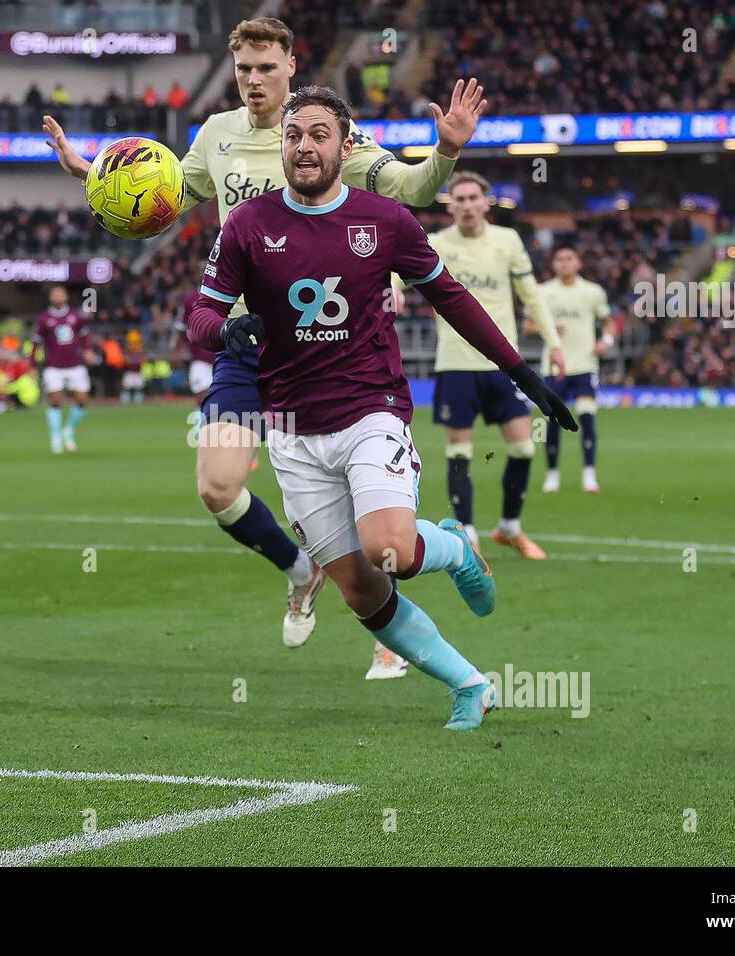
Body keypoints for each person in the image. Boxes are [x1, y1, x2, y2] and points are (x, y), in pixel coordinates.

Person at [44, 16, 488, 655]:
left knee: (367, 524)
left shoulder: (327, 135)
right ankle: (299, 568)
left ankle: (391, 613)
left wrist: (444, 152)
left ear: (290, 66)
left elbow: (409, 188)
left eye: (266, 67)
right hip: (244, 339)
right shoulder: (216, 135)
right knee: (216, 486)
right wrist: (87, 170)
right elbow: (161, 193)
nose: (254, 79)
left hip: (325, 346)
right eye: (243, 69)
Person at [184, 87, 577, 728]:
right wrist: (219, 331)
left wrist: (522, 373)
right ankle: (470, 684)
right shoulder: (247, 225)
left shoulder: (384, 221)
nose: (303, 147)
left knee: (389, 549)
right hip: (291, 428)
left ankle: (451, 548)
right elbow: (200, 311)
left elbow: (450, 297)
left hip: (371, 410)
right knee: (362, 591)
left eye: (318, 135)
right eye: (293, 135)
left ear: (345, 144)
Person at [428, 170, 565, 561]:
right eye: (460, 199)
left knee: (523, 448)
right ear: (450, 205)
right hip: (454, 363)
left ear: (486, 203)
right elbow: (394, 275)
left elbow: (531, 296)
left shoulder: (507, 242)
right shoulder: (435, 244)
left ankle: (509, 528)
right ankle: (467, 533)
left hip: (503, 364)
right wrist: (392, 290)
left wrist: (553, 345)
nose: (467, 206)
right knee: (459, 452)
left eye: (474, 198)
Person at [538, 243, 615, 494]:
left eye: (569, 258)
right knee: (552, 421)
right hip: (554, 366)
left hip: (584, 364)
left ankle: (589, 475)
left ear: (578, 263)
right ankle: (552, 474)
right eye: (560, 259)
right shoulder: (543, 292)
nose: (564, 263)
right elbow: (528, 325)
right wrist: (546, 329)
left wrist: (606, 341)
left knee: (587, 417)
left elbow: (608, 322)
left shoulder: (592, 292)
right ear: (554, 264)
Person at [31, 285, 95, 454]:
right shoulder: (44, 318)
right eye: (55, 294)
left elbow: (84, 335)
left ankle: (69, 429)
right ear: (50, 298)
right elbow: (36, 341)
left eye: (61, 293)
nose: (58, 296)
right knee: (55, 399)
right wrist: (32, 362)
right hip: (53, 366)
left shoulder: (75, 315)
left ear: (66, 296)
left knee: (82, 400)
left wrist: (88, 350)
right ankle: (56, 436)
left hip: (75, 364)